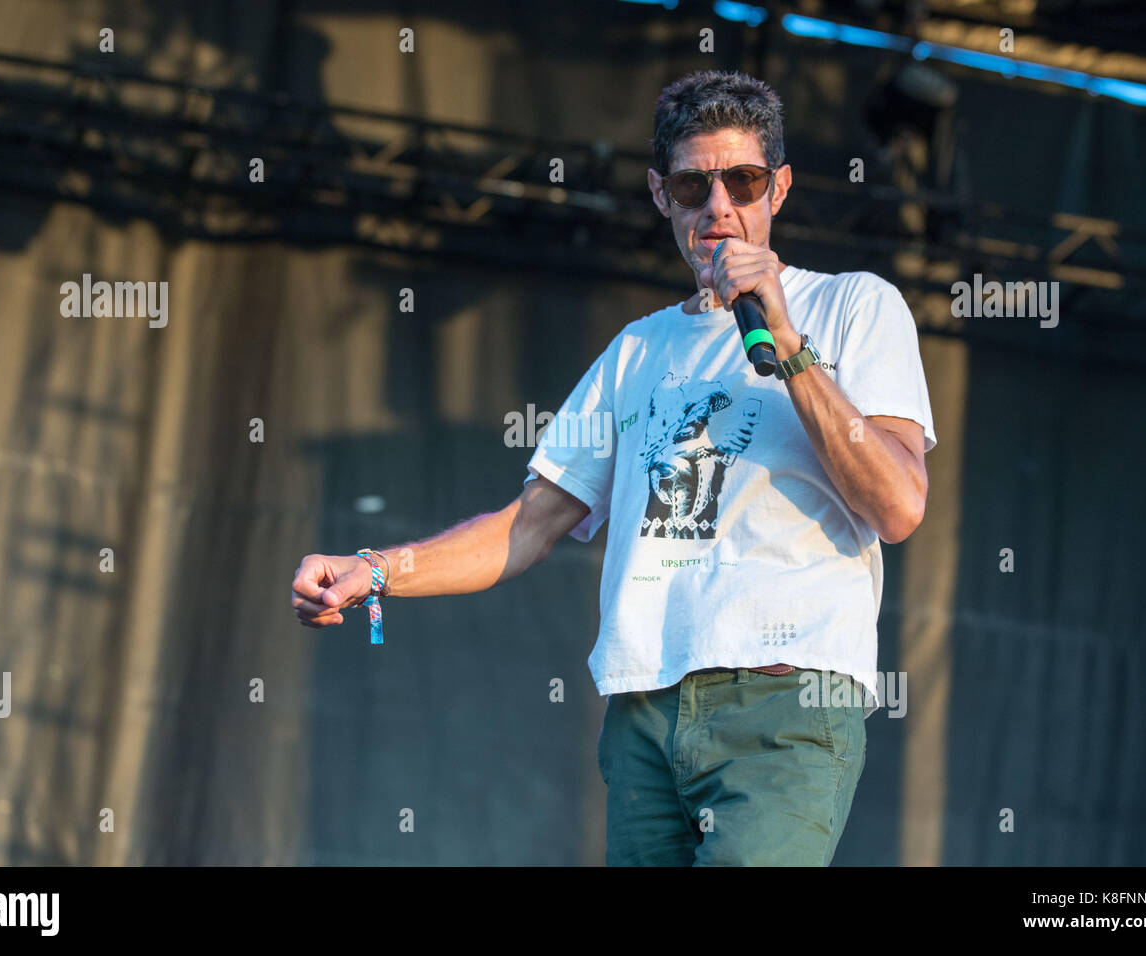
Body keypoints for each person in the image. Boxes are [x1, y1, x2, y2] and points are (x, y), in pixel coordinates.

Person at [291, 70, 935, 866]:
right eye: (696, 185)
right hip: (645, 714)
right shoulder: (635, 351)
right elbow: (526, 528)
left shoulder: (854, 307)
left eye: (743, 180)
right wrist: (376, 568)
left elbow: (900, 506)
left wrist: (788, 343)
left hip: (786, 695)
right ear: (662, 197)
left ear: (781, 188)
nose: (720, 207)